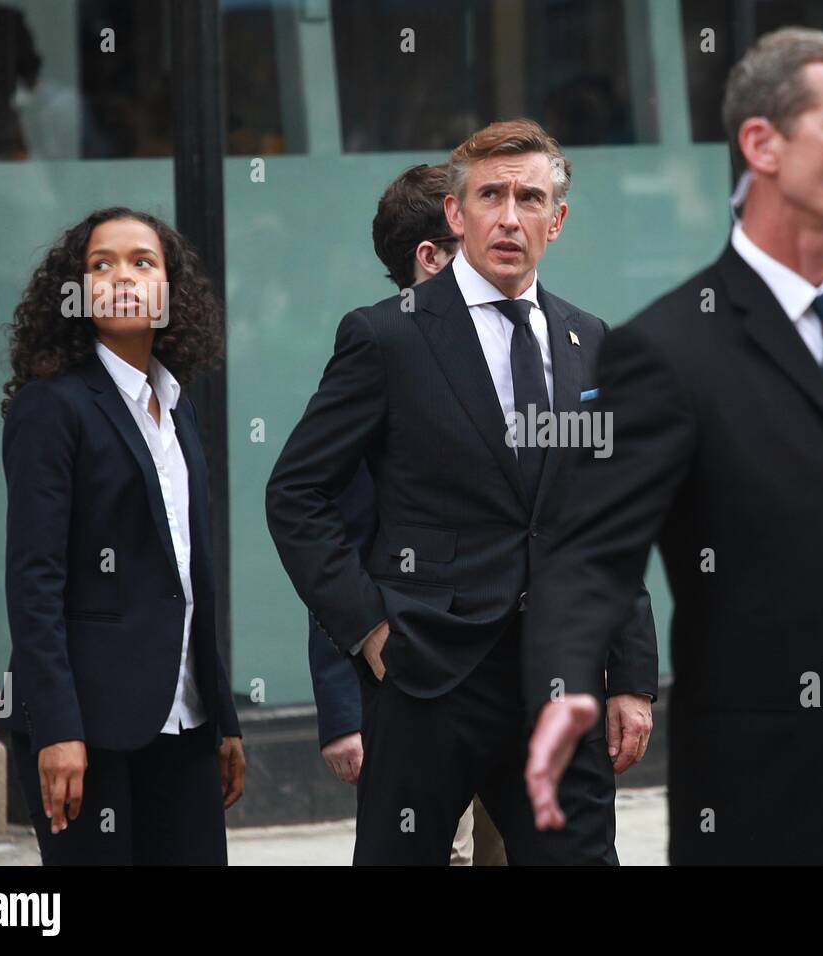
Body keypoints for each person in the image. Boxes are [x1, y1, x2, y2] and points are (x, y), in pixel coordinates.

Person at [522, 27, 823, 864]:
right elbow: (588, 555)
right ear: (761, 143)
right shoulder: (666, 350)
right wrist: (564, 687)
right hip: (767, 801)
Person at [266, 119, 657, 865]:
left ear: (558, 219)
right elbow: (296, 494)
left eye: (531, 197)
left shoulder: (592, 341)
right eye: (492, 196)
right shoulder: (389, 338)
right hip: (426, 679)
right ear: (456, 214)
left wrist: (631, 675)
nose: (511, 216)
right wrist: (372, 635)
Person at [0, 207, 245, 864]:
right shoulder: (52, 406)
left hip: (185, 722)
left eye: (142, 261)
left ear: (170, 287)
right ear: (74, 293)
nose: (123, 276)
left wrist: (221, 714)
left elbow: (188, 576)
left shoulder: (177, 403)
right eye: (100, 264)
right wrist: (55, 728)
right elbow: (34, 579)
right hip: (89, 726)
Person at [308, 161, 490, 864]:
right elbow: (330, 533)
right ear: (432, 254)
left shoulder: (530, 344)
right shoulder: (381, 352)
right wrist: (344, 700)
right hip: (423, 682)